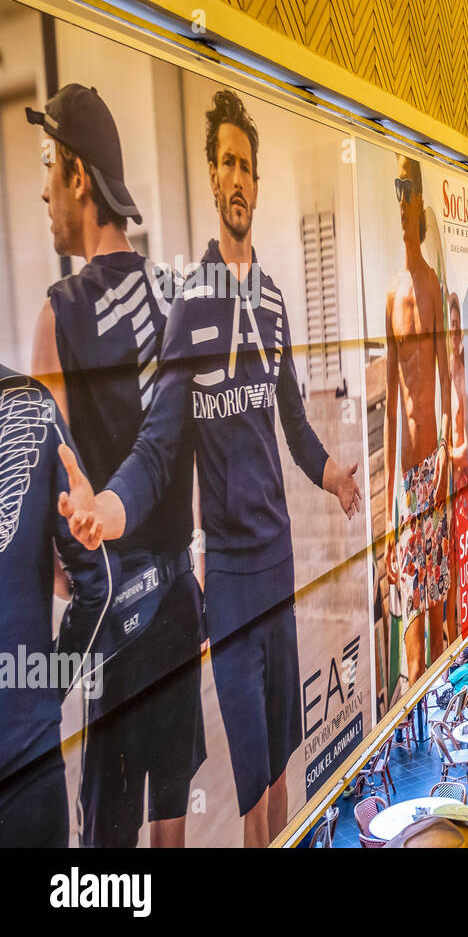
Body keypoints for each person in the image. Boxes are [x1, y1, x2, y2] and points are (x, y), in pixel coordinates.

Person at [60, 89, 362, 848]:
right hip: (228, 585)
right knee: (252, 787)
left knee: (284, 774)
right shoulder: (190, 306)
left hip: (279, 568)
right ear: (212, 174)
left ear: (257, 184)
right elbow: (159, 447)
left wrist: (334, 475)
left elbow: (293, 424)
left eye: (246, 166)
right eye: (224, 162)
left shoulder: (274, 299)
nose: (235, 178)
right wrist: (112, 510)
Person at [28, 84, 204, 848]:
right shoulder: (174, 298)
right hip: (178, 604)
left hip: (113, 624)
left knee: (107, 849)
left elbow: (47, 511)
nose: (40, 191)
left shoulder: (58, 313)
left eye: (48, 168)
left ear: (78, 177)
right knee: (172, 822)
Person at [0, 368, 111, 847]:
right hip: (29, 762)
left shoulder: (31, 406)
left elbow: (93, 584)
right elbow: (96, 584)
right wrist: (40, 687)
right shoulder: (32, 402)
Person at [381, 154, 457, 691]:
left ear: (422, 206)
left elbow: (449, 385)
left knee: (438, 607)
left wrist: (452, 462)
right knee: (409, 601)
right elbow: (389, 406)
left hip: (433, 465)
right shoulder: (391, 297)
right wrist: (388, 509)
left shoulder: (432, 289)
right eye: (397, 188)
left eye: (410, 189)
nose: (403, 200)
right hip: (407, 480)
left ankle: (446, 721)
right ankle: (414, 717)